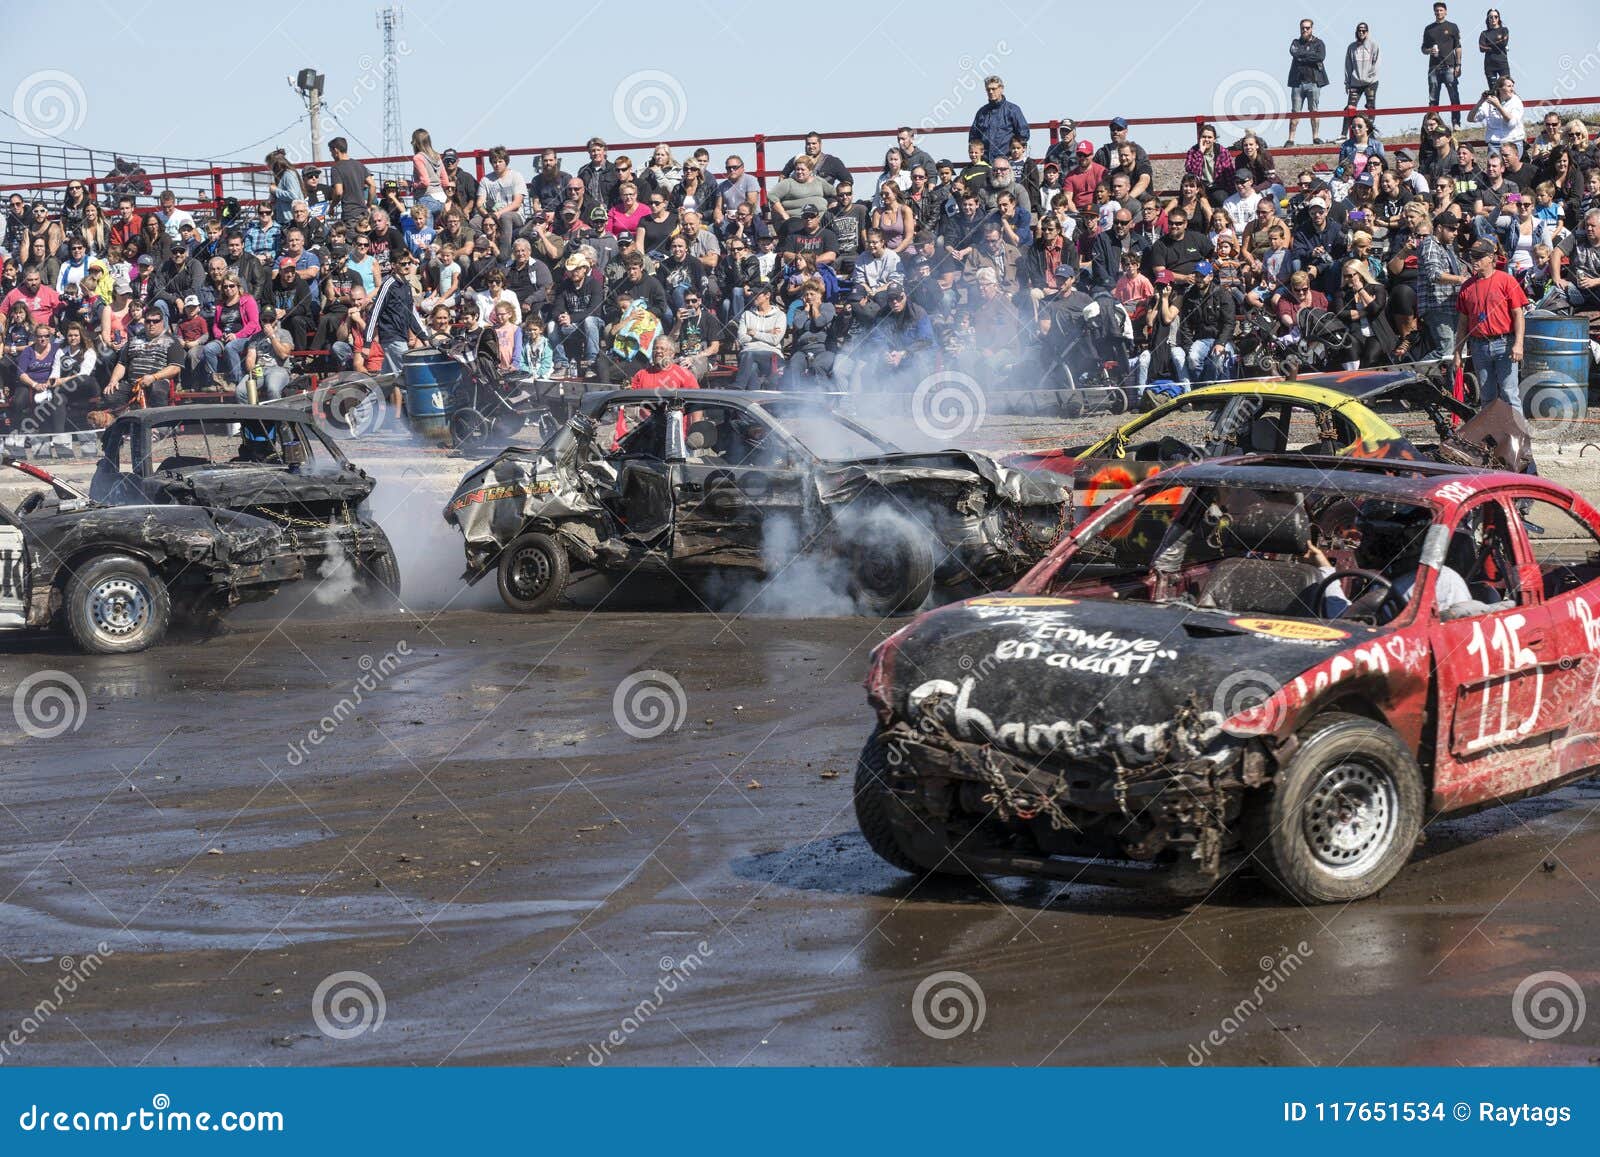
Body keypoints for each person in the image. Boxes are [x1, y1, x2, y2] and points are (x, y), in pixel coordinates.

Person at [1453, 238, 1527, 408]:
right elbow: (1462, 324)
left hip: (1504, 343)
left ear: (1490, 258)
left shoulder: (1506, 280)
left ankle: (1518, 434)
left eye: (1478, 257)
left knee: (1509, 394)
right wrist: (1458, 352)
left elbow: (1518, 315)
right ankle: (1492, 434)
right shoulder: (1467, 287)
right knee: (1487, 397)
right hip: (1479, 346)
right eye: (1472, 256)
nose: (1474, 261)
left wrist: (1518, 344)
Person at [1286, 17, 1330, 146]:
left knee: (1314, 111)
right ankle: (1291, 139)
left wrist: (1302, 56)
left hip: (1314, 82)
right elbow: (1294, 52)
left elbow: (1320, 57)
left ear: (1312, 28)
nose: (1305, 30)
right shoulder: (1295, 42)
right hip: (1297, 83)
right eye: (1302, 28)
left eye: (1307, 28)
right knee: (1295, 112)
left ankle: (1316, 137)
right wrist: (1310, 56)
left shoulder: (1319, 43)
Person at [732, 283, 785, 389]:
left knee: (749, 355)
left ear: (767, 295)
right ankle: (754, 399)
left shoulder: (780, 315)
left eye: (756, 293)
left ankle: (738, 386)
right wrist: (767, 332)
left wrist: (755, 333)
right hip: (747, 354)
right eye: (753, 293)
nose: (753, 296)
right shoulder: (746, 314)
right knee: (752, 367)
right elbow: (742, 339)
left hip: (770, 354)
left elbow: (775, 340)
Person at [969, 77, 1029, 166]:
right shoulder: (981, 112)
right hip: (985, 164)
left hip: (1006, 163)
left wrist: (1014, 155)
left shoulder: (1013, 110)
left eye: (994, 89)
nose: (991, 92)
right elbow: (973, 139)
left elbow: (1023, 135)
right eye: (988, 89)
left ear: (1001, 89)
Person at [1422, 2, 1464, 128]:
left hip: (1449, 66)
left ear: (1445, 12)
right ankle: (1434, 124)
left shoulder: (1452, 27)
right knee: (1433, 99)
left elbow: (1458, 47)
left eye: (1441, 10)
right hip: (1433, 68)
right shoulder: (1429, 29)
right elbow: (1423, 49)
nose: (1438, 12)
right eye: (1436, 10)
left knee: (1454, 95)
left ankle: (1456, 123)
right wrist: (1430, 51)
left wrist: (1458, 65)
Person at [1471, 75, 1526, 156]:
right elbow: (1471, 119)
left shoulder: (1516, 101)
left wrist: (1498, 106)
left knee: (1511, 168)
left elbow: (1512, 123)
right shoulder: (1489, 102)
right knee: (1494, 168)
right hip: (1494, 144)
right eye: (1509, 86)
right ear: (1500, 88)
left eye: (1512, 86)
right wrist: (1481, 101)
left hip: (1513, 142)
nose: (1512, 89)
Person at [328, 137, 376, 225]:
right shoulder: (359, 165)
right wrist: (368, 205)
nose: (331, 155)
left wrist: (331, 207)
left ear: (335, 150)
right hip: (364, 215)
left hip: (350, 215)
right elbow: (373, 185)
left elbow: (338, 192)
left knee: (352, 238)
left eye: (331, 152)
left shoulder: (336, 168)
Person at [1344, 23, 1381, 136]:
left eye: (1364, 30)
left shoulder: (1374, 45)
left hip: (1370, 82)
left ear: (1367, 32)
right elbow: (1348, 66)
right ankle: (1344, 133)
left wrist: (1370, 76)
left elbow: (1377, 63)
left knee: (1370, 107)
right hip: (1355, 81)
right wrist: (1347, 82)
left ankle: (1370, 132)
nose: (1361, 32)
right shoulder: (1351, 47)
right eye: (1359, 30)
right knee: (1350, 107)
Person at [1479, 8, 1510, 87]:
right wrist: (1496, 46)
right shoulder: (1484, 33)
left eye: (1495, 17)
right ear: (1488, 19)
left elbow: (1503, 43)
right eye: (1491, 17)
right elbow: (1482, 48)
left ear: (1498, 18)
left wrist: (1489, 45)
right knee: (1493, 90)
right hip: (1489, 66)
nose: (1493, 19)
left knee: (1507, 87)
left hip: (1502, 64)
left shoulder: (1504, 30)